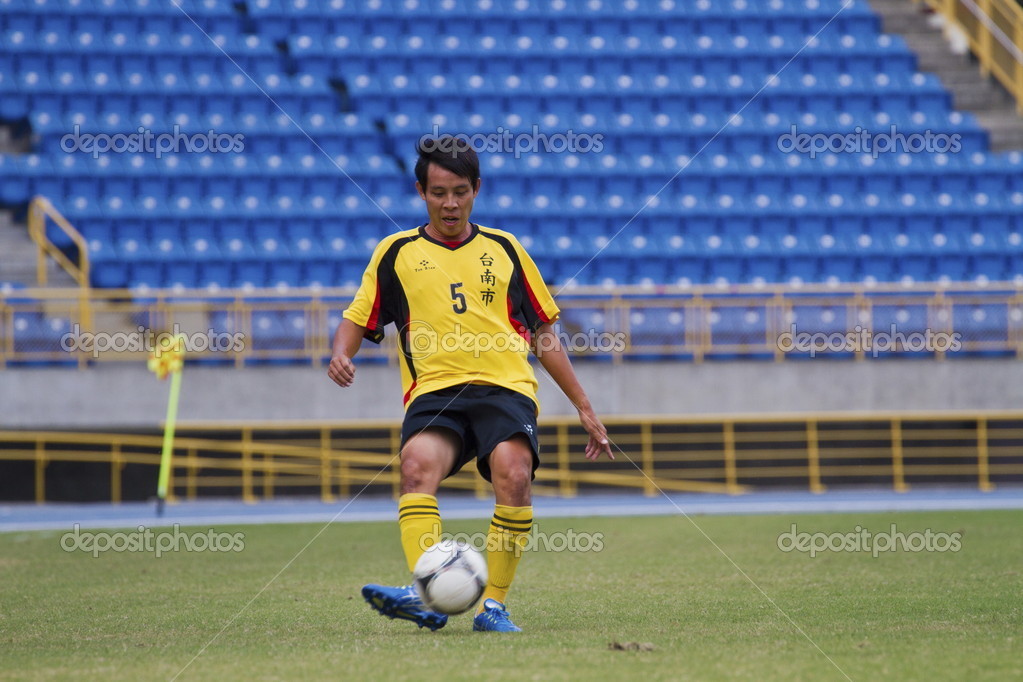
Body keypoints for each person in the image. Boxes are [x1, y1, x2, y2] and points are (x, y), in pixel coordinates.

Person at [328, 135, 613, 633]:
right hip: (435, 391)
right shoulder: (395, 253)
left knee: (514, 474)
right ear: (421, 192)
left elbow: (545, 333)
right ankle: (427, 597)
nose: (450, 204)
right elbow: (358, 317)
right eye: (439, 193)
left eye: (460, 192)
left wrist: (584, 407)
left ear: (476, 189)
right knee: (415, 467)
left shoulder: (505, 249)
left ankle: (492, 606)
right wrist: (340, 353)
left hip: (505, 388)